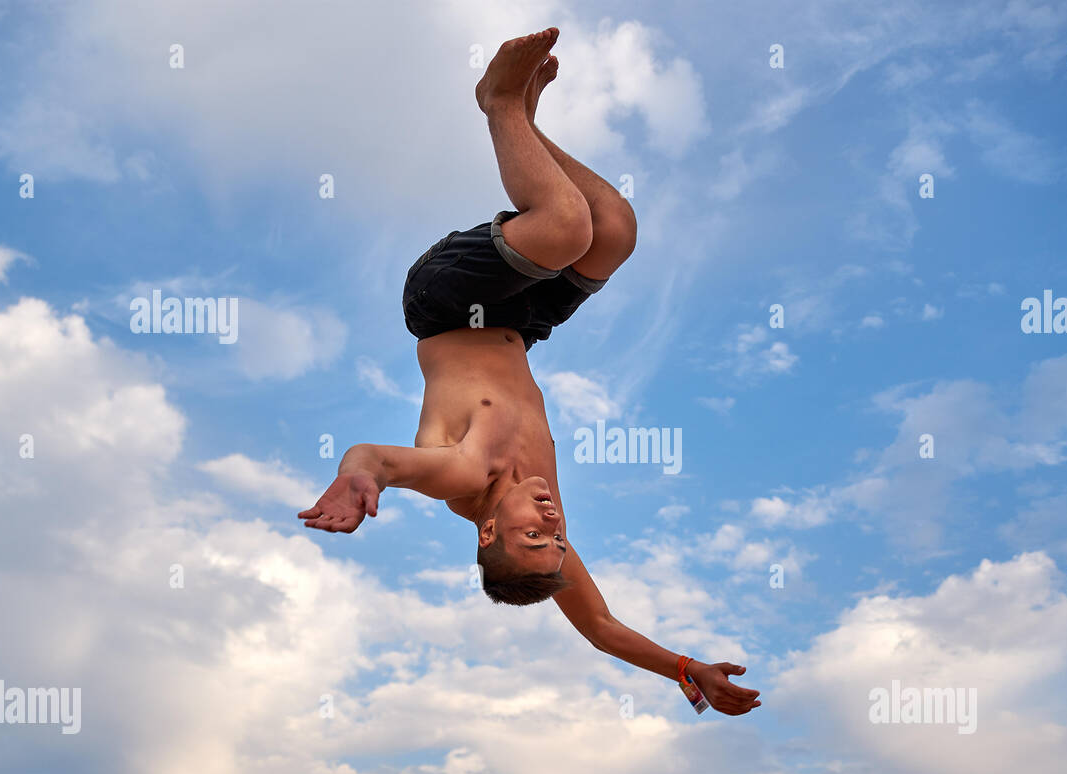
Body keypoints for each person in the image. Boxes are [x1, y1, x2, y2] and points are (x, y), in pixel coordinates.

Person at [300, 28, 759, 716]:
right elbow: (600, 628)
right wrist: (686, 669)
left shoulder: (464, 478)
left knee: (564, 227)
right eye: (558, 537)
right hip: (523, 325)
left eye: (533, 533)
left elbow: (378, 460)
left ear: (489, 533)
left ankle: (499, 105)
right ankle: (528, 129)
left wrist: (356, 479)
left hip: (447, 304)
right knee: (613, 228)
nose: (551, 519)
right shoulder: (541, 523)